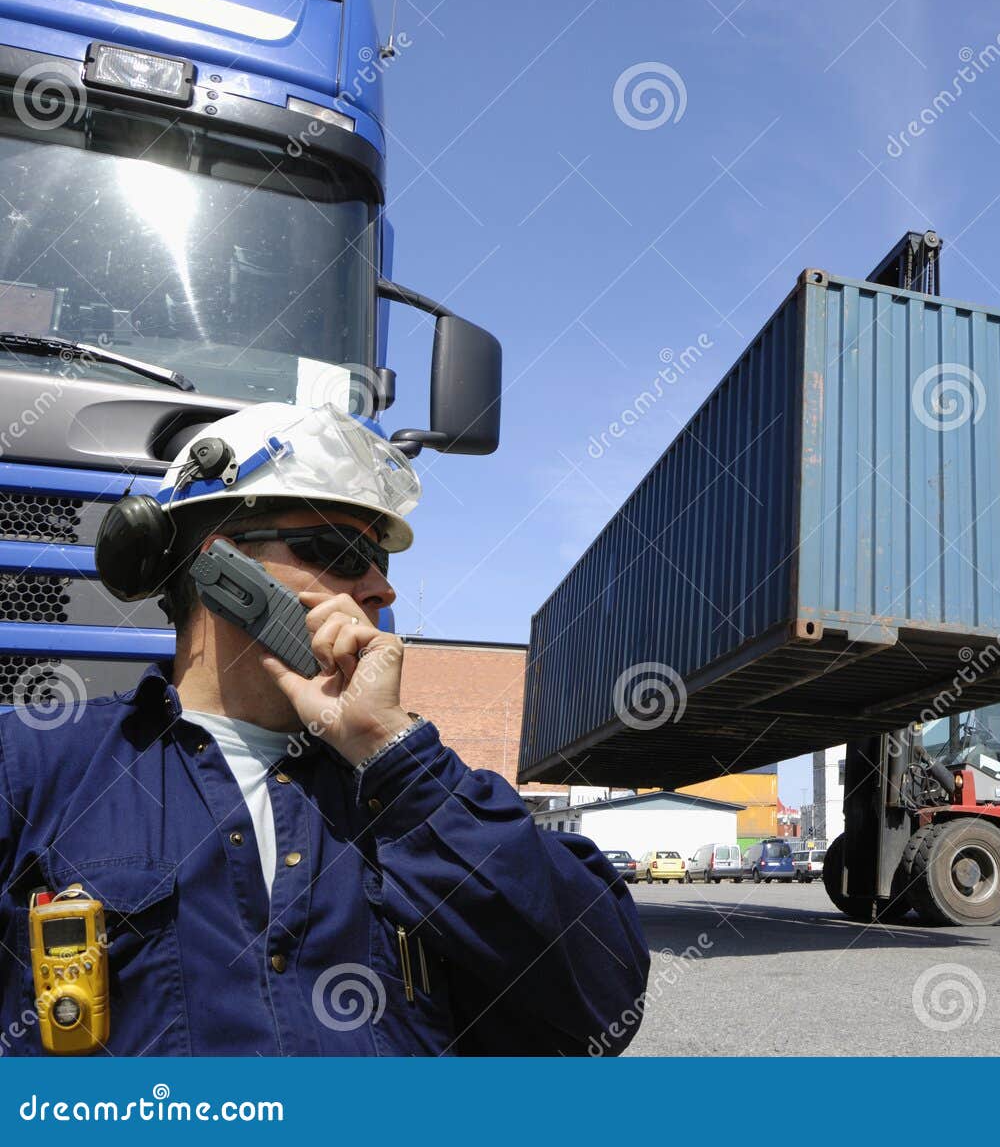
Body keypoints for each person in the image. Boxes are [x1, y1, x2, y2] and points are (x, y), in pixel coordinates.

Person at [0, 402, 650, 1054]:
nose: (379, 588)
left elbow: (604, 998)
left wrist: (390, 755)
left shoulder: (412, 798)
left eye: (381, 562)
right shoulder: (35, 770)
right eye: (339, 550)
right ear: (223, 570)